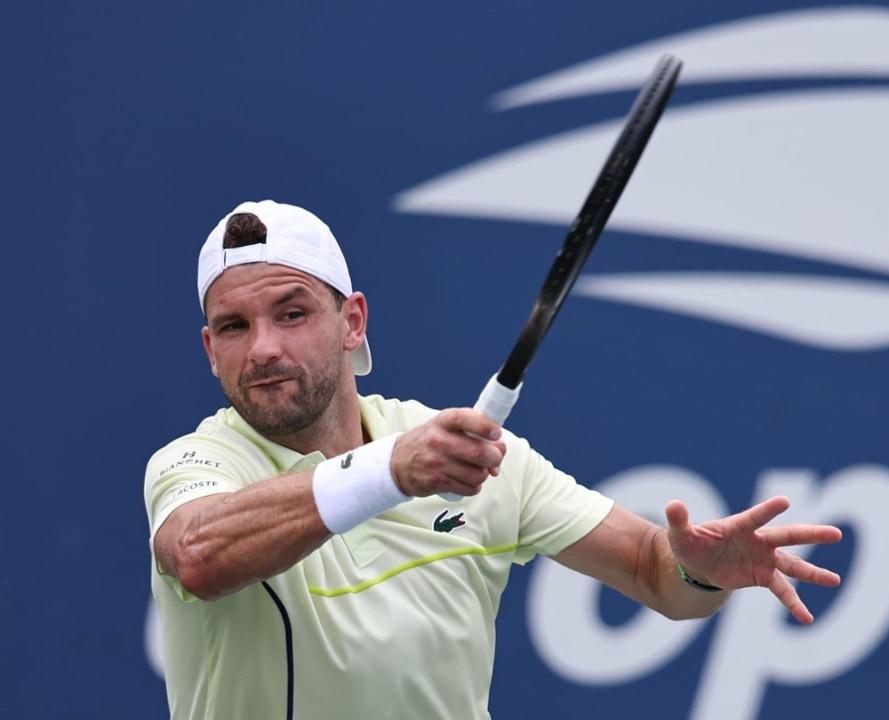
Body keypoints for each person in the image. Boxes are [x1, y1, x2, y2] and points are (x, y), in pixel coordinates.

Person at [145, 199, 844, 720]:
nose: (262, 348)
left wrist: (698, 569)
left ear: (352, 321)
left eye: (290, 313)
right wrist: (389, 471)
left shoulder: (460, 453)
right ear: (211, 352)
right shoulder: (199, 460)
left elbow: (648, 570)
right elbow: (200, 555)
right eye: (234, 328)